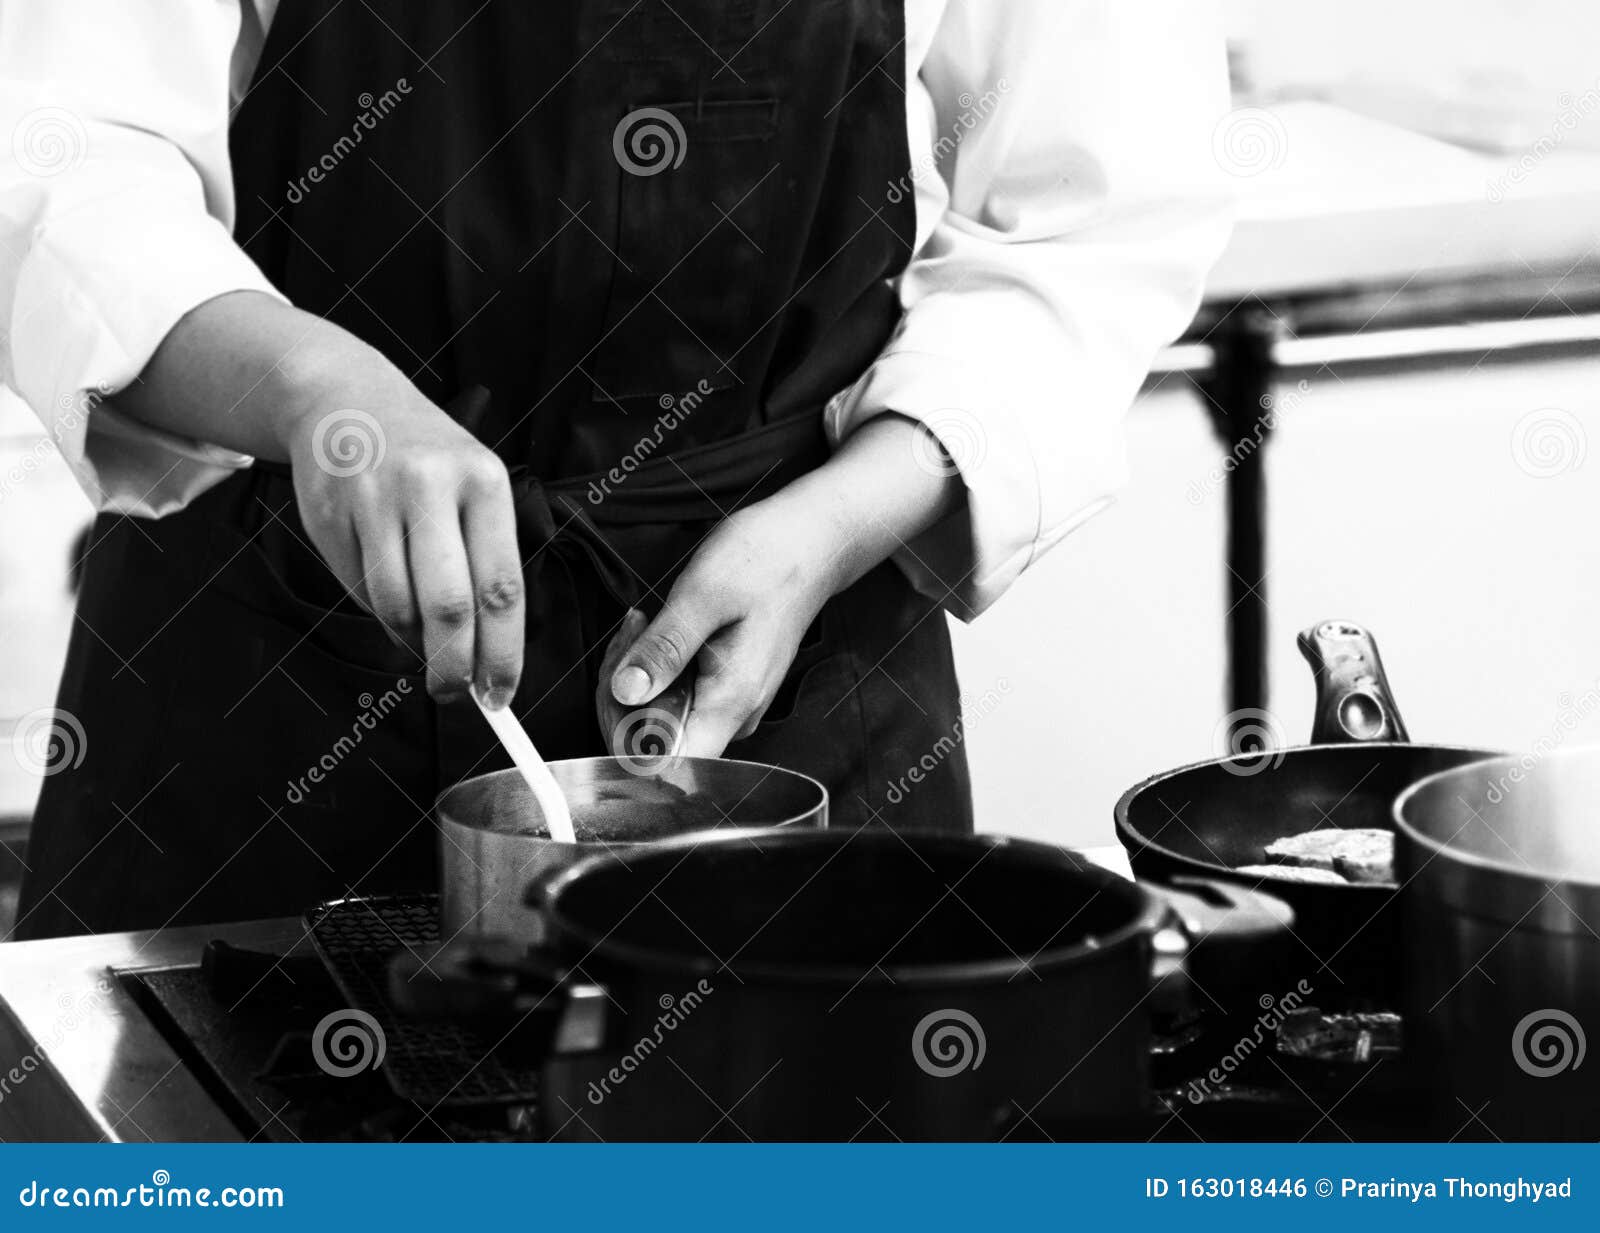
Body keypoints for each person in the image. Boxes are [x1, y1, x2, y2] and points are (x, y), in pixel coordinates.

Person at [0, 0, 1231, 938]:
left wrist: (834, 528)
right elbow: (57, 146)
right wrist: (316, 391)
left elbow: (1087, 218)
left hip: (803, 678)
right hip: (278, 682)